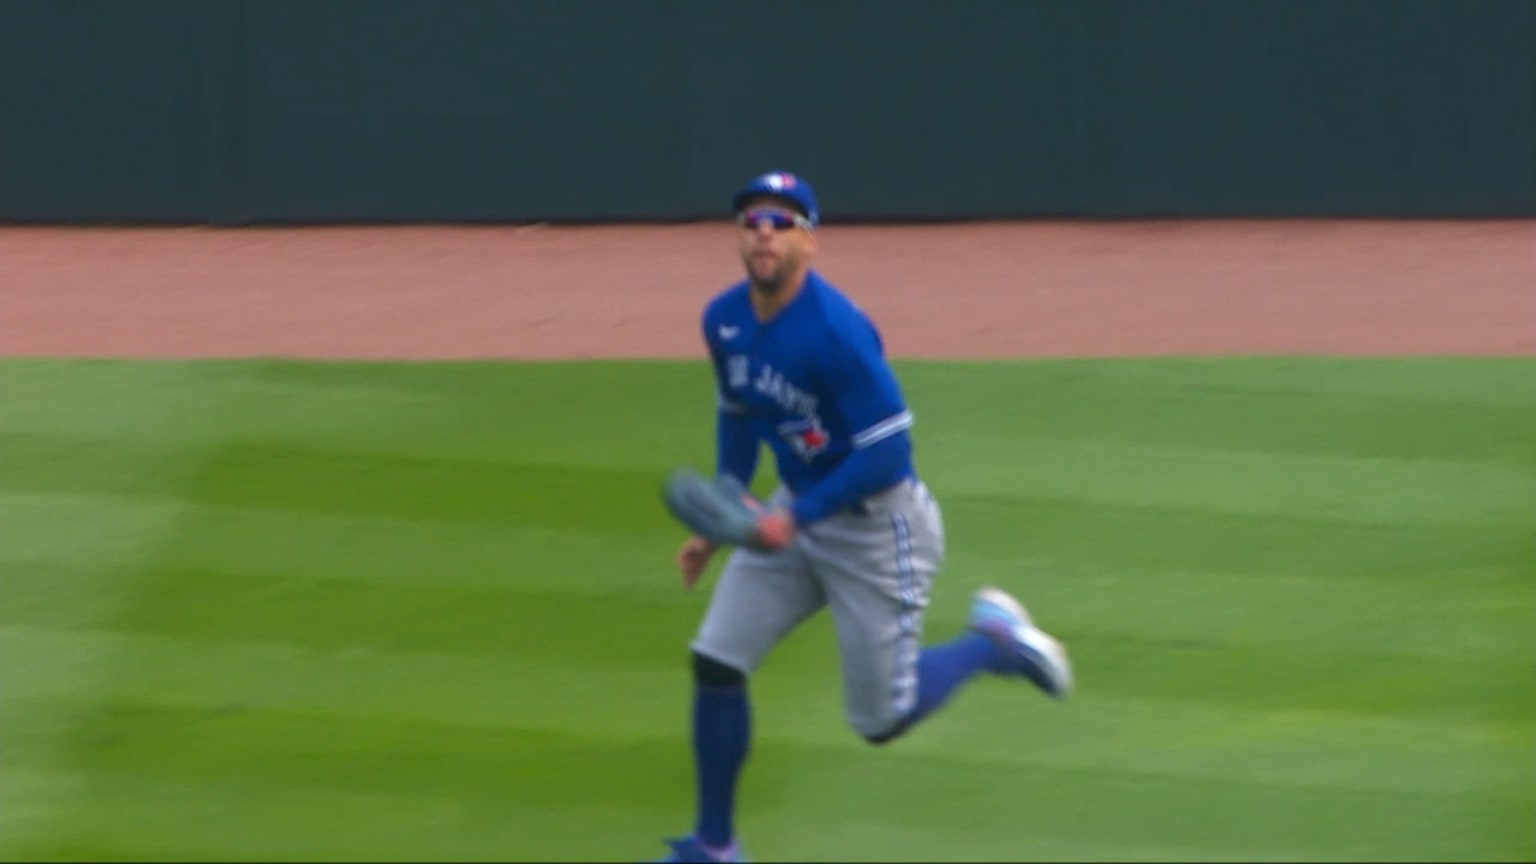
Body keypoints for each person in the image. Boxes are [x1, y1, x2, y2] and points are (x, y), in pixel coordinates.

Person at [651, 172, 1073, 864]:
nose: (764, 233)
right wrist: (722, 512)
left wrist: (798, 516)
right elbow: (740, 414)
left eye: (782, 222)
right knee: (717, 660)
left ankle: (993, 643)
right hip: (795, 512)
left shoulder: (836, 332)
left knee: (881, 720)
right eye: (753, 220)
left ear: (809, 242)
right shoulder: (724, 321)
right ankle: (715, 847)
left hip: (878, 528)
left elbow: (890, 452)